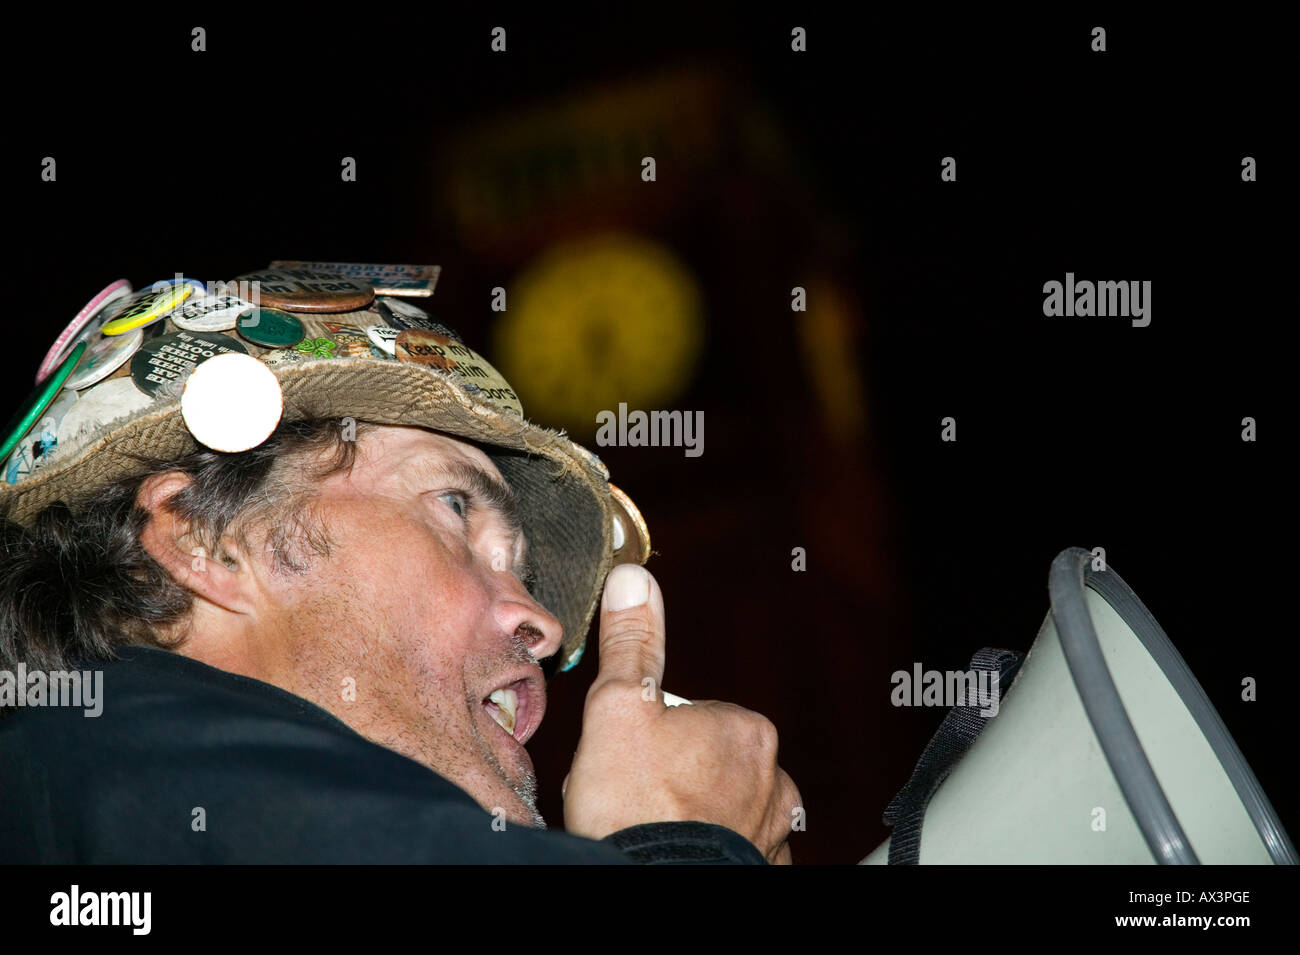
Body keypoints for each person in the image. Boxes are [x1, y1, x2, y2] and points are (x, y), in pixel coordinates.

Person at [0, 271, 801, 864]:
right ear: (203, 539)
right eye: (455, 505)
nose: (546, 625)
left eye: (517, 567)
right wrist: (686, 844)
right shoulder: (146, 780)